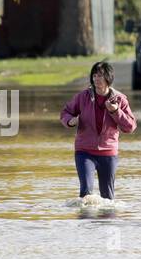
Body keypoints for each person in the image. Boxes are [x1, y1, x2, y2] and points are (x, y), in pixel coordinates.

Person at [59, 61, 137, 200]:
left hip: (108, 153)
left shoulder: (119, 99)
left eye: (100, 76)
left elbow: (130, 127)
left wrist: (115, 111)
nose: (96, 79)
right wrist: (71, 121)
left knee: (108, 197)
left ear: (108, 78)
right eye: (94, 75)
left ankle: (107, 221)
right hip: (84, 152)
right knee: (86, 194)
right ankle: (86, 220)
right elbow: (65, 113)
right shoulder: (82, 97)